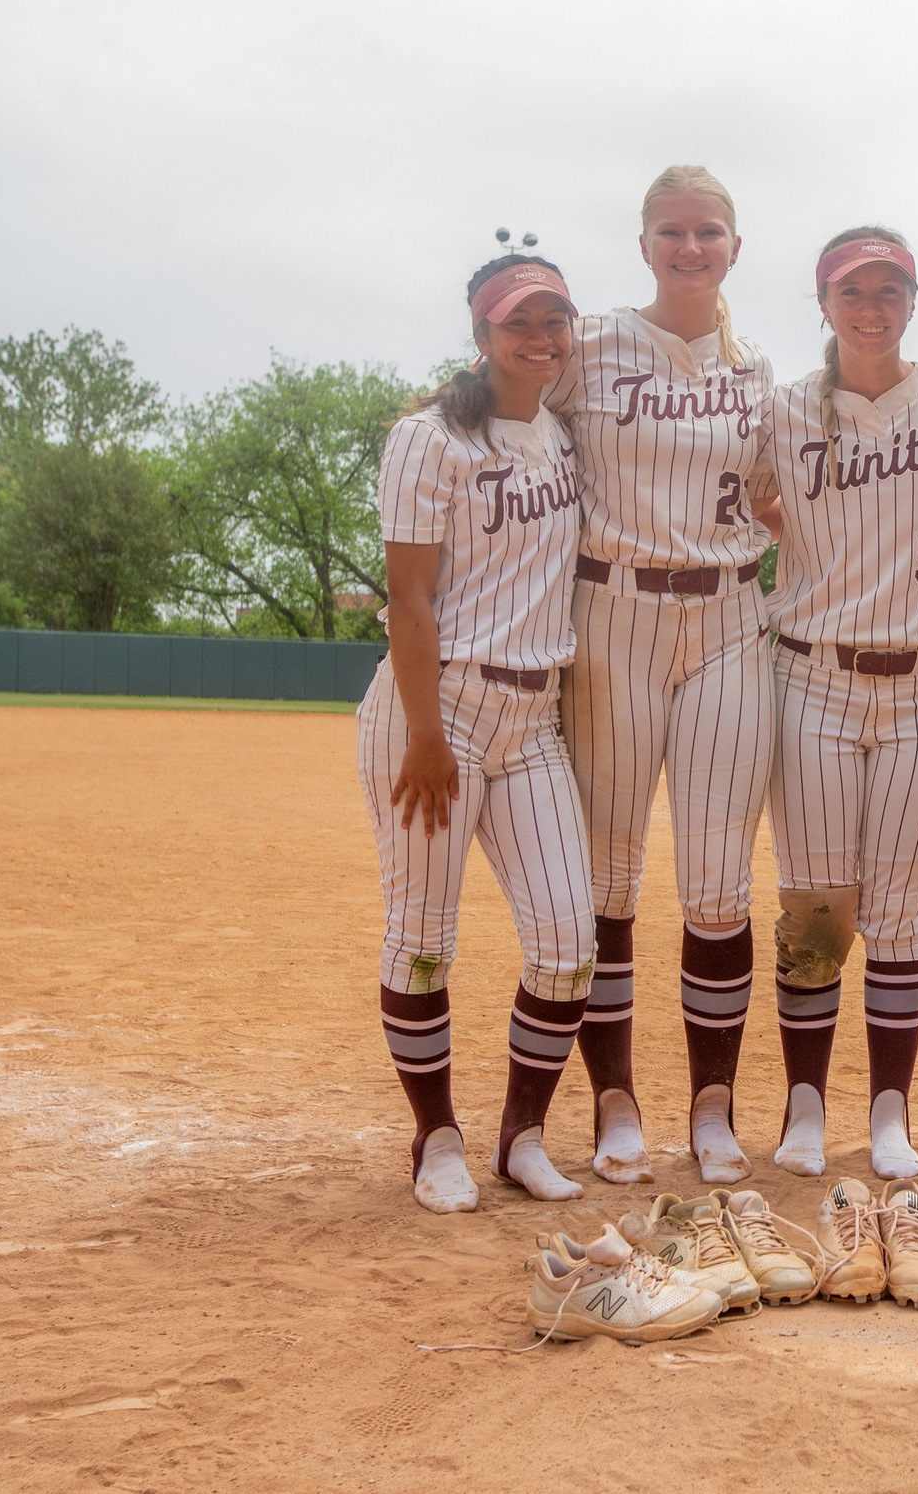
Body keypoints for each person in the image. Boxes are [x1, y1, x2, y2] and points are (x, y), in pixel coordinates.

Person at [544, 166, 778, 1186]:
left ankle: (714, 1109)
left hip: (729, 614)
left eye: (709, 232)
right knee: (607, 877)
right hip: (612, 614)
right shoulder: (587, 345)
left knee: (720, 881)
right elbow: (503, 418)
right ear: (642, 244)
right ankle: (614, 1100)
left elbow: (780, 494)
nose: (690, 248)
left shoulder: (756, 368)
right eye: (671, 232)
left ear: (734, 247)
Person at [357, 254, 595, 1213]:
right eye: (519, 321)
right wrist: (422, 732)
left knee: (568, 941)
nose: (540, 337)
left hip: (533, 716)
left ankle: (521, 1136)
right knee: (423, 937)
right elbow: (407, 597)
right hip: (438, 708)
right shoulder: (428, 439)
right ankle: (436, 1137)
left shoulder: (562, 437)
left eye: (554, 319)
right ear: (481, 331)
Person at [749, 227, 918, 1180]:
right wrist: (809, 536)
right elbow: (749, 500)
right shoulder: (783, 409)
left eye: (889, 290)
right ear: (824, 304)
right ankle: (805, 1111)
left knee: (898, 911)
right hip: (810, 672)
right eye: (853, 291)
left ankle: (888, 1115)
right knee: (815, 905)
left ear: (911, 302)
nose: (871, 307)